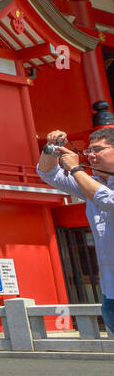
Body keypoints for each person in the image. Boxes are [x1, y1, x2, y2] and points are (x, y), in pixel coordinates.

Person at [37, 128, 114, 334]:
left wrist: (76, 169)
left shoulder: (88, 182)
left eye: (98, 150)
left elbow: (108, 201)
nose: (91, 155)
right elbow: (48, 173)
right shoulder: (93, 184)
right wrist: (52, 147)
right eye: (89, 150)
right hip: (110, 293)